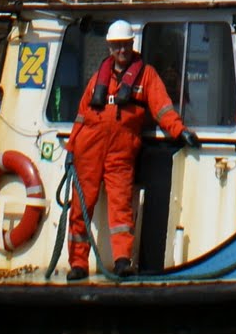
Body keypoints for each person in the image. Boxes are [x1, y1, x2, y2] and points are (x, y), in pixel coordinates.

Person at [63, 19, 199, 278]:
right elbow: (82, 115)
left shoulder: (146, 75)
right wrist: (71, 149)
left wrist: (179, 131)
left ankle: (122, 260)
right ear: (109, 48)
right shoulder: (97, 78)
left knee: (121, 205)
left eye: (125, 45)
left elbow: (162, 108)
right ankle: (78, 264)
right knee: (81, 206)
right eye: (116, 46)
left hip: (121, 151)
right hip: (88, 148)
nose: (121, 51)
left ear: (132, 45)